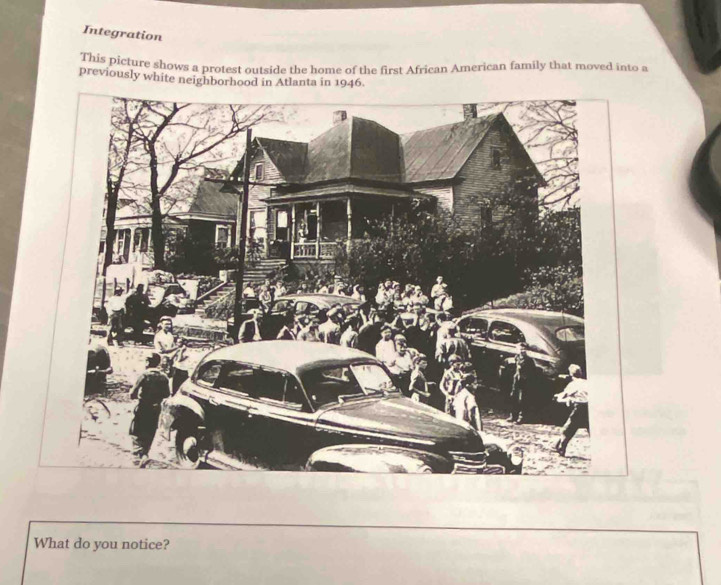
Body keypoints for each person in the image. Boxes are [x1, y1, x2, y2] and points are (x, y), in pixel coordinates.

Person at [129, 353, 170, 468]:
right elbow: (167, 394)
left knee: (136, 430)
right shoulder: (164, 376)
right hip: (156, 408)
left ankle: (140, 455)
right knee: (150, 430)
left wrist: (137, 396)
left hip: (143, 407)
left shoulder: (144, 375)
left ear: (147, 362)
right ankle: (145, 453)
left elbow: (132, 394)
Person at [553, 364, 589, 456]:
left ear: (571, 374)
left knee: (568, 429)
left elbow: (564, 394)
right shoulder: (586, 382)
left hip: (580, 407)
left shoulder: (573, 384)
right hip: (590, 406)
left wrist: (557, 395)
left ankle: (561, 449)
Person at [508, 342, 537, 424]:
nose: (522, 351)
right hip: (517, 379)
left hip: (524, 381)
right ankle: (513, 416)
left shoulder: (529, 360)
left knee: (522, 399)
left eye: (523, 349)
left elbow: (532, 372)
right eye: (520, 349)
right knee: (513, 397)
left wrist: (525, 377)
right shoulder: (517, 357)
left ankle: (521, 417)